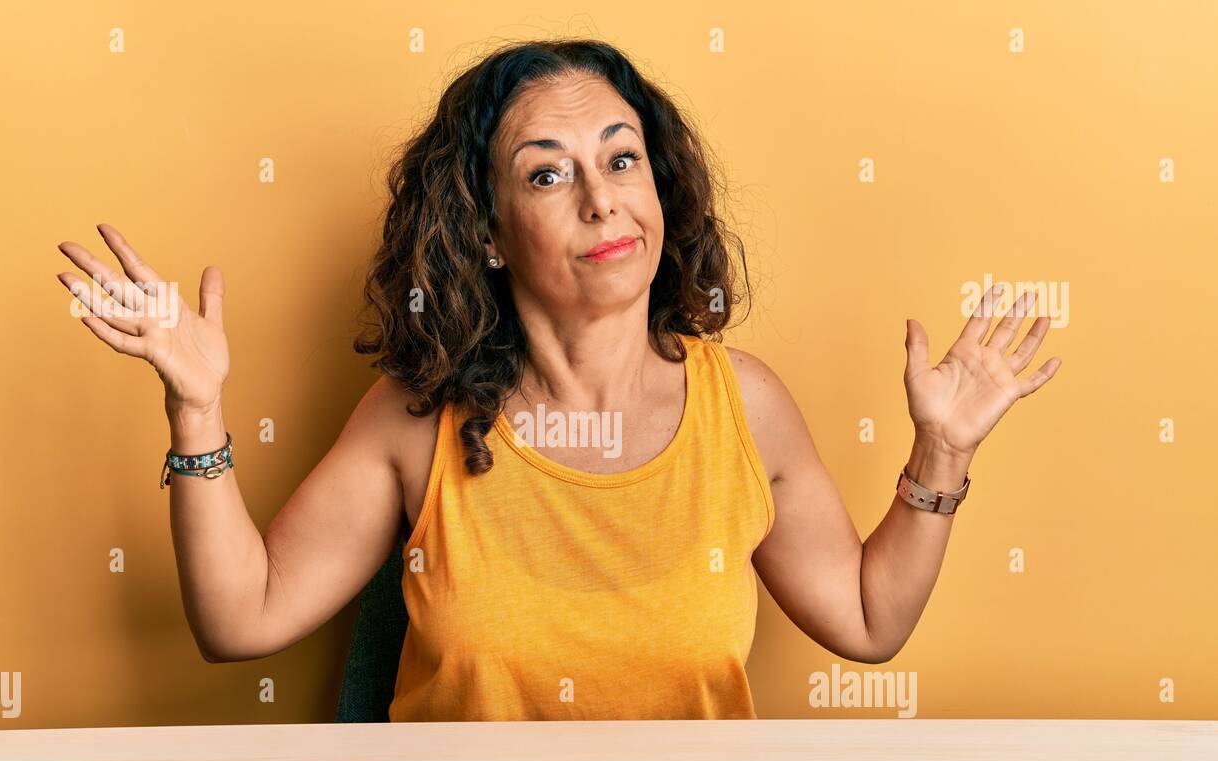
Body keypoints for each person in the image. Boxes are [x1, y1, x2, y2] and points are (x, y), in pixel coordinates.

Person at [54, 39, 1060, 720]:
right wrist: (195, 411)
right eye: (546, 173)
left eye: (622, 161)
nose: (599, 199)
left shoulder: (743, 404)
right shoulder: (417, 422)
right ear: (485, 233)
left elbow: (869, 619)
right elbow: (240, 618)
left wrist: (943, 451)